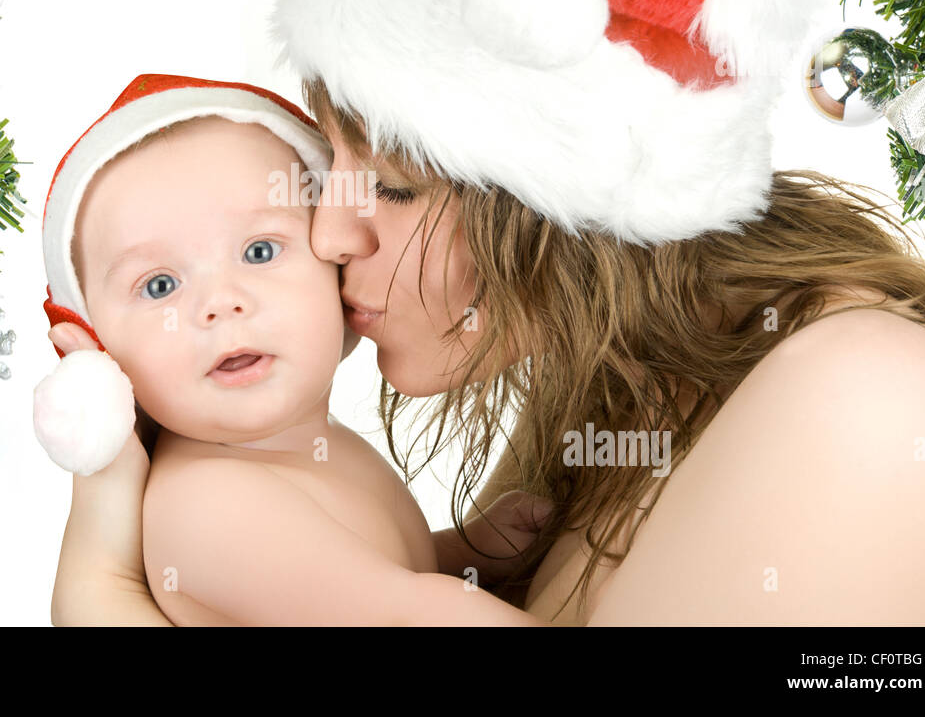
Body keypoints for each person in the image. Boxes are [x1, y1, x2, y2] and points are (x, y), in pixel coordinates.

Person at [49, 0, 925, 624]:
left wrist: (106, 601)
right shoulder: (610, 395)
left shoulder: (861, 401)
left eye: (399, 190)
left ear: (566, 211)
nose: (326, 236)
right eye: (330, 176)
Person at [39, 74, 555, 625]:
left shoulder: (300, 455)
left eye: (259, 251)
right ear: (97, 356)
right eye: (159, 286)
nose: (222, 303)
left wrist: (464, 552)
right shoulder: (209, 505)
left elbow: (345, 586)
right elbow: (404, 613)